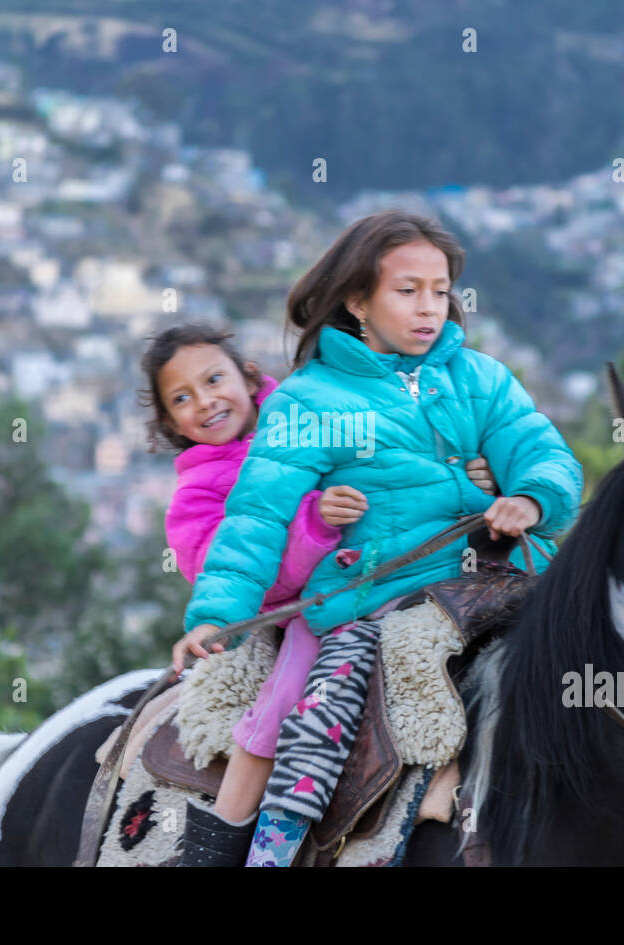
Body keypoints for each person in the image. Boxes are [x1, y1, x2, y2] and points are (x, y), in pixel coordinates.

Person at [177, 210, 584, 866]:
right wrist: (217, 616)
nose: (429, 307)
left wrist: (533, 499)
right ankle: (268, 852)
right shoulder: (308, 402)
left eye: (439, 289)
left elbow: (541, 451)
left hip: (491, 584)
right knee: (320, 719)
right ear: (356, 300)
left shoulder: (480, 379)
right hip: (374, 602)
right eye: (407, 290)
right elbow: (256, 517)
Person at [141, 322, 502, 866]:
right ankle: (232, 846)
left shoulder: (312, 418)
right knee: (285, 705)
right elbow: (246, 573)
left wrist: (476, 476)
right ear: (171, 422)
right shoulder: (197, 494)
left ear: (248, 376)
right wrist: (313, 523)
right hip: (312, 610)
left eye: (214, 379)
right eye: (183, 398)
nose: (206, 401)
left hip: (402, 577)